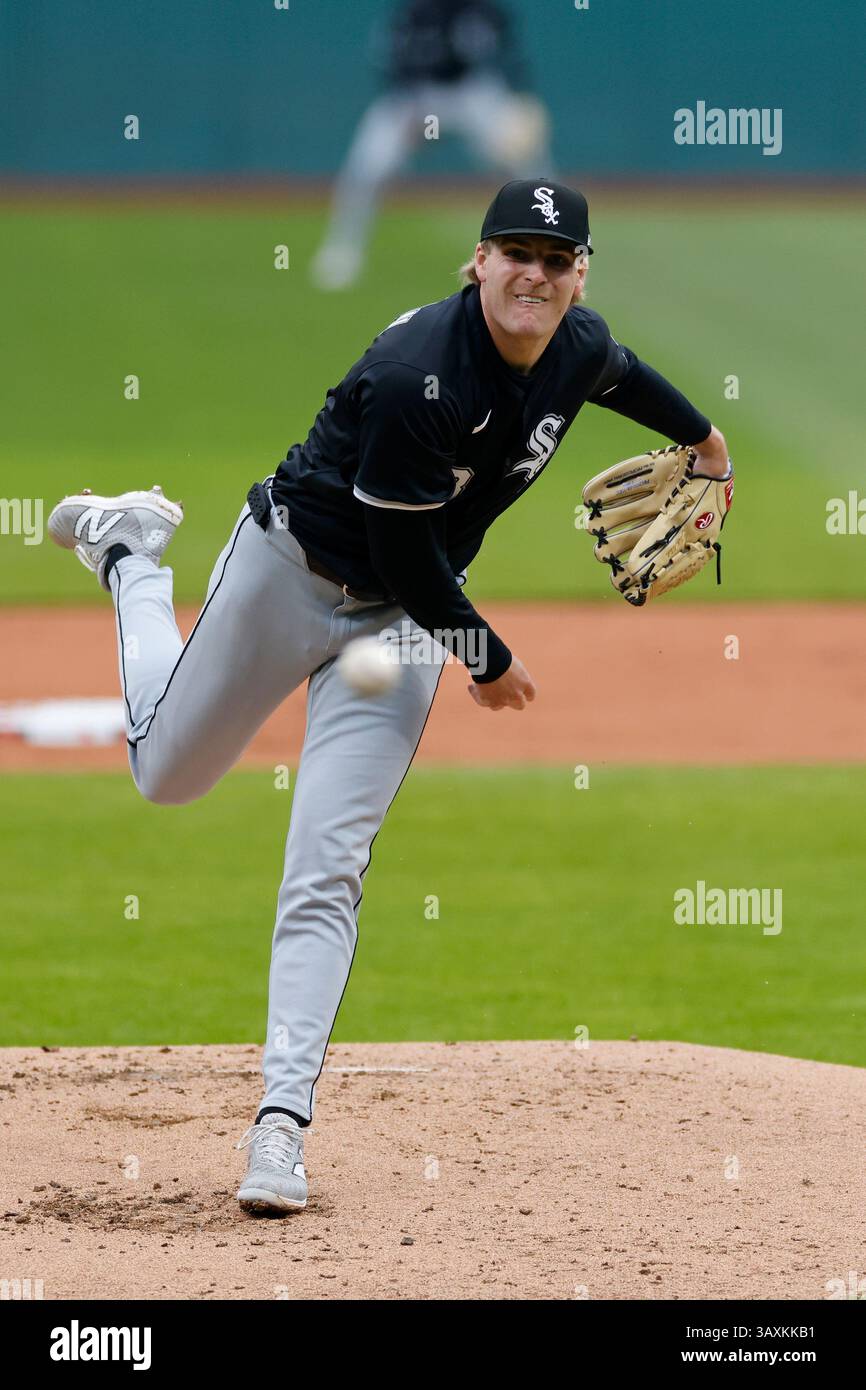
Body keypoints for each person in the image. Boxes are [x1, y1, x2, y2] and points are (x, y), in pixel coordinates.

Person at [48, 178, 732, 1216]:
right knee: (166, 774)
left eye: (555, 259)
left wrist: (705, 439)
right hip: (294, 573)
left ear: (577, 273)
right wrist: (487, 656)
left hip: (400, 628)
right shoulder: (422, 375)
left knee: (327, 864)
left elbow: (622, 374)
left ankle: (279, 1126)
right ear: (477, 260)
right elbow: (404, 550)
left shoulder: (574, 344)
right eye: (515, 252)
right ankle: (133, 555)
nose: (534, 274)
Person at [310, 0, 552, 290]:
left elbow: (511, 55)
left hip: (472, 92)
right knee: (369, 166)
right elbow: (389, 62)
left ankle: (556, 240)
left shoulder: (482, 9)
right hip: (417, 95)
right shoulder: (413, 11)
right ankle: (342, 252)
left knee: (529, 164)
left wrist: (520, 99)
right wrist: (411, 107)